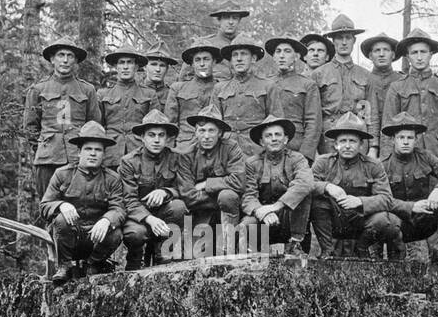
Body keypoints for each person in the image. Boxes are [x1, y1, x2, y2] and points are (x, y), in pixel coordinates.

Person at [40, 121, 127, 283]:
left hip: (95, 238)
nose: (93, 154)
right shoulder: (62, 174)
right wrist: (61, 205)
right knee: (60, 220)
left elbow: (119, 209)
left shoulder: (112, 179)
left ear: (104, 154)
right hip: (69, 237)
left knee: (116, 232)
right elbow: (44, 206)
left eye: (98, 150)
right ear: (79, 152)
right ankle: (64, 267)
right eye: (88, 149)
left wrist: (107, 220)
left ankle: (93, 264)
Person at [308, 111, 399, 258]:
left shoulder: (373, 165)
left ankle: (361, 248)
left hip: (361, 221)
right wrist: (327, 187)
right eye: (343, 141)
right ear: (336, 144)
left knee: (384, 219)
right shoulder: (323, 163)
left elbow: (386, 198)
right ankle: (327, 250)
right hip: (333, 220)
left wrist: (359, 201)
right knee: (316, 202)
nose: (348, 146)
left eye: (353, 141)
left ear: (361, 144)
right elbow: (307, 185)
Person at [22, 36, 102, 198]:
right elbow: (30, 127)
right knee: (48, 204)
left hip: (77, 159)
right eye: (61, 55)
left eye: (69, 56)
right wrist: (43, 147)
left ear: (76, 61)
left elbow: (94, 125)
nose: (65, 60)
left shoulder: (87, 90)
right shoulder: (38, 89)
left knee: (77, 204)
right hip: (47, 158)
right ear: (52, 59)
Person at [380, 111, 438, 265]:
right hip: (397, 226)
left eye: (410, 138)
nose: (405, 142)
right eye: (401, 138)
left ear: (416, 139)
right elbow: (379, 200)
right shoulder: (382, 165)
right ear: (393, 140)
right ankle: (391, 259)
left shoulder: (425, 156)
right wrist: (410, 207)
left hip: (424, 222)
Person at [382, 27, 438, 164]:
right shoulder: (396, 87)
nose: (419, 57)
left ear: (431, 54)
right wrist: (387, 162)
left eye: (423, 52)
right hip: (407, 160)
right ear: (408, 57)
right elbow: (387, 129)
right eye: (414, 53)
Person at [118, 110, 189, 270]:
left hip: (165, 213)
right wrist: (149, 218)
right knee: (136, 234)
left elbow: (185, 189)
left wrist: (166, 192)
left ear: (167, 138)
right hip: (137, 216)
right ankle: (135, 260)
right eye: (151, 135)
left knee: (178, 207)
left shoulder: (176, 158)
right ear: (142, 137)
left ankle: (164, 254)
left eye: (161, 135)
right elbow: (128, 199)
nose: (156, 140)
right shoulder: (129, 162)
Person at [241, 115, 313, 256]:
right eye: (268, 136)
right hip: (263, 219)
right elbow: (248, 195)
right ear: (262, 142)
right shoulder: (252, 163)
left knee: (304, 194)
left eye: (277, 135)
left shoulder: (297, 159)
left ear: (285, 139)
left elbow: (305, 183)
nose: (274, 139)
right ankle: (252, 257)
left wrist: (275, 207)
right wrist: (261, 211)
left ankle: (295, 244)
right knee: (248, 224)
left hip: (290, 220)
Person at [178, 105, 245, 237]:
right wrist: (218, 198)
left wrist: (205, 185)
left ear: (220, 133)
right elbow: (188, 195)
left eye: (211, 131)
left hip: (229, 212)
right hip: (200, 212)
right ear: (195, 133)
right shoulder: (186, 154)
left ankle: (230, 244)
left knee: (227, 196)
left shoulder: (231, 148)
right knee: (196, 253)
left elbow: (239, 181)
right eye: (202, 131)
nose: (206, 136)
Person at [313, 14, 373, 156]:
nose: (344, 42)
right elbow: (313, 115)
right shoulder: (319, 74)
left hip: (357, 134)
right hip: (328, 136)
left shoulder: (365, 75)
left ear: (354, 41)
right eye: (340, 38)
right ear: (333, 41)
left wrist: (373, 146)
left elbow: (371, 115)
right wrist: (314, 148)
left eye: (348, 38)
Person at [99, 42, 156, 168]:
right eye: (121, 62)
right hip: (110, 154)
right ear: (115, 66)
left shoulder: (149, 94)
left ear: (136, 66)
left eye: (129, 62)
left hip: (139, 153)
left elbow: (154, 128)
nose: (125, 67)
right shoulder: (103, 94)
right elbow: (98, 126)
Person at [264, 36, 322, 158]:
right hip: (269, 146)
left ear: (296, 57)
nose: (282, 55)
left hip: (296, 146)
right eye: (278, 51)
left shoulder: (307, 84)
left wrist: (305, 154)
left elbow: (313, 122)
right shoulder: (265, 84)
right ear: (274, 57)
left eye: (287, 51)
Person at [215, 35, 272, 154]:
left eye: (244, 54)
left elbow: (274, 123)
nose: (239, 59)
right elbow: (214, 124)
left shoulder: (267, 86)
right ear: (230, 60)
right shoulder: (219, 88)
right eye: (235, 55)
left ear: (253, 58)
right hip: (226, 149)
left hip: (256, 149)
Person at [165, 39, 224, 149]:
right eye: (197, 60)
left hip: (213, 146)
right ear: (192, 64)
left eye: (206, 59)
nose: (202, 64)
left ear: (214, 61)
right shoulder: (177, 88)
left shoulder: (221, 88)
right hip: (184, 146)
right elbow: (170, 125)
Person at [361, 32, 404, 159]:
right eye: (376, 50)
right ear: (370, 55)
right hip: (367, 144)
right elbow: (366, 116)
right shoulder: (364, 80)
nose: (381, 54)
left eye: (386, 50)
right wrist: (373, 146)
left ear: (393, 55)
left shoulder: (402, 80)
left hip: (397, 143)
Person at [142, 42, 178, 115]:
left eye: (162, 65)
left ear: (167, 69)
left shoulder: (172, 94)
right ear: (145, 67)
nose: (158, 69)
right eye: (154, 64)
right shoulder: (137, 90)